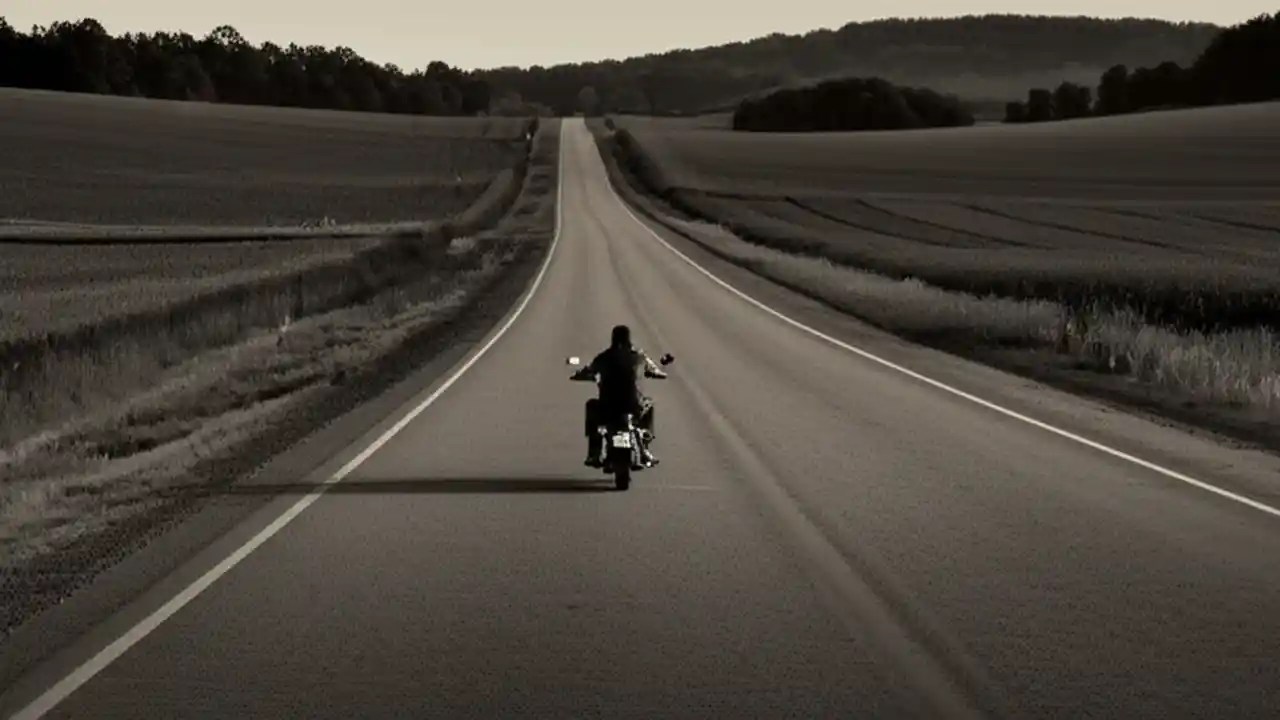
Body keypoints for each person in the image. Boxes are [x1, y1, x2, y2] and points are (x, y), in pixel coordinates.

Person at [574, 324, 666, 467]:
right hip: (632, 404)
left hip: (608, 405)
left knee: (591, 406)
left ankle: (595, 452)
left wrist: (581, 375)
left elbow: (589, 370)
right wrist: (657, 373)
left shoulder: (604, 357)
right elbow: (654, 369)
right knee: (648, 404)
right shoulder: (638, 356)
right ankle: (646, 446)